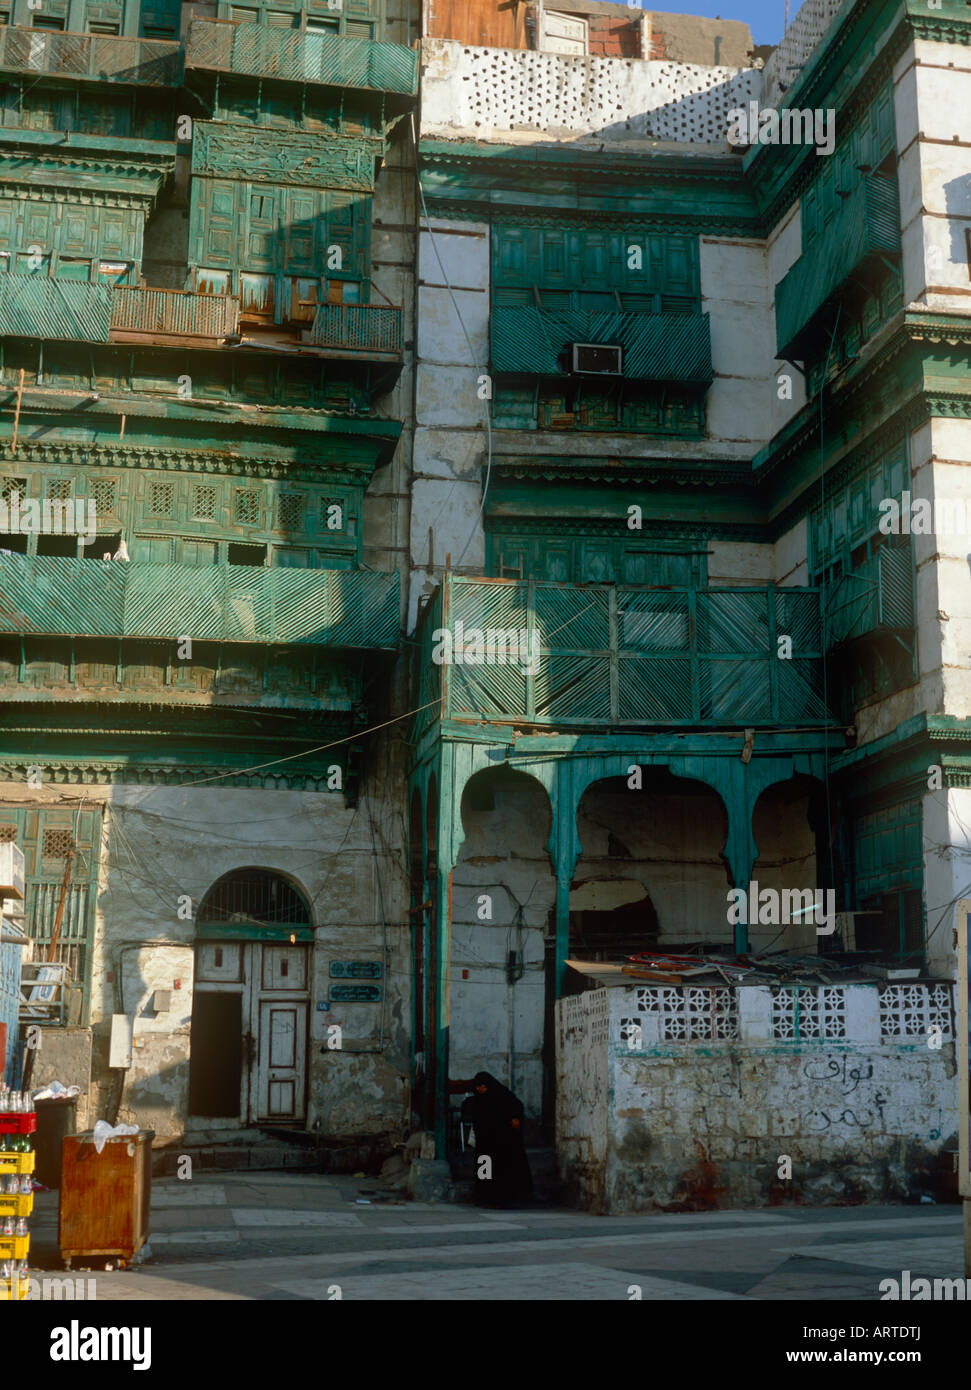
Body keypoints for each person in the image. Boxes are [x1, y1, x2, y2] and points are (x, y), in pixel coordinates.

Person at [461, 1072, 532, 1207]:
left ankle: (503, 1199)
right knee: (485, 1170)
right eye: (478, 1087)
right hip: (485, 1142)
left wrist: (515, 1118)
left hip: (502, 1142)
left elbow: (517, 1106)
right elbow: (468, 1110)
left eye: (483, 1086)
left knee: (502, 1170)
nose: (480, 1089)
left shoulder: (503, 1095)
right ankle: (483, 1197)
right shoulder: (477, 1100)